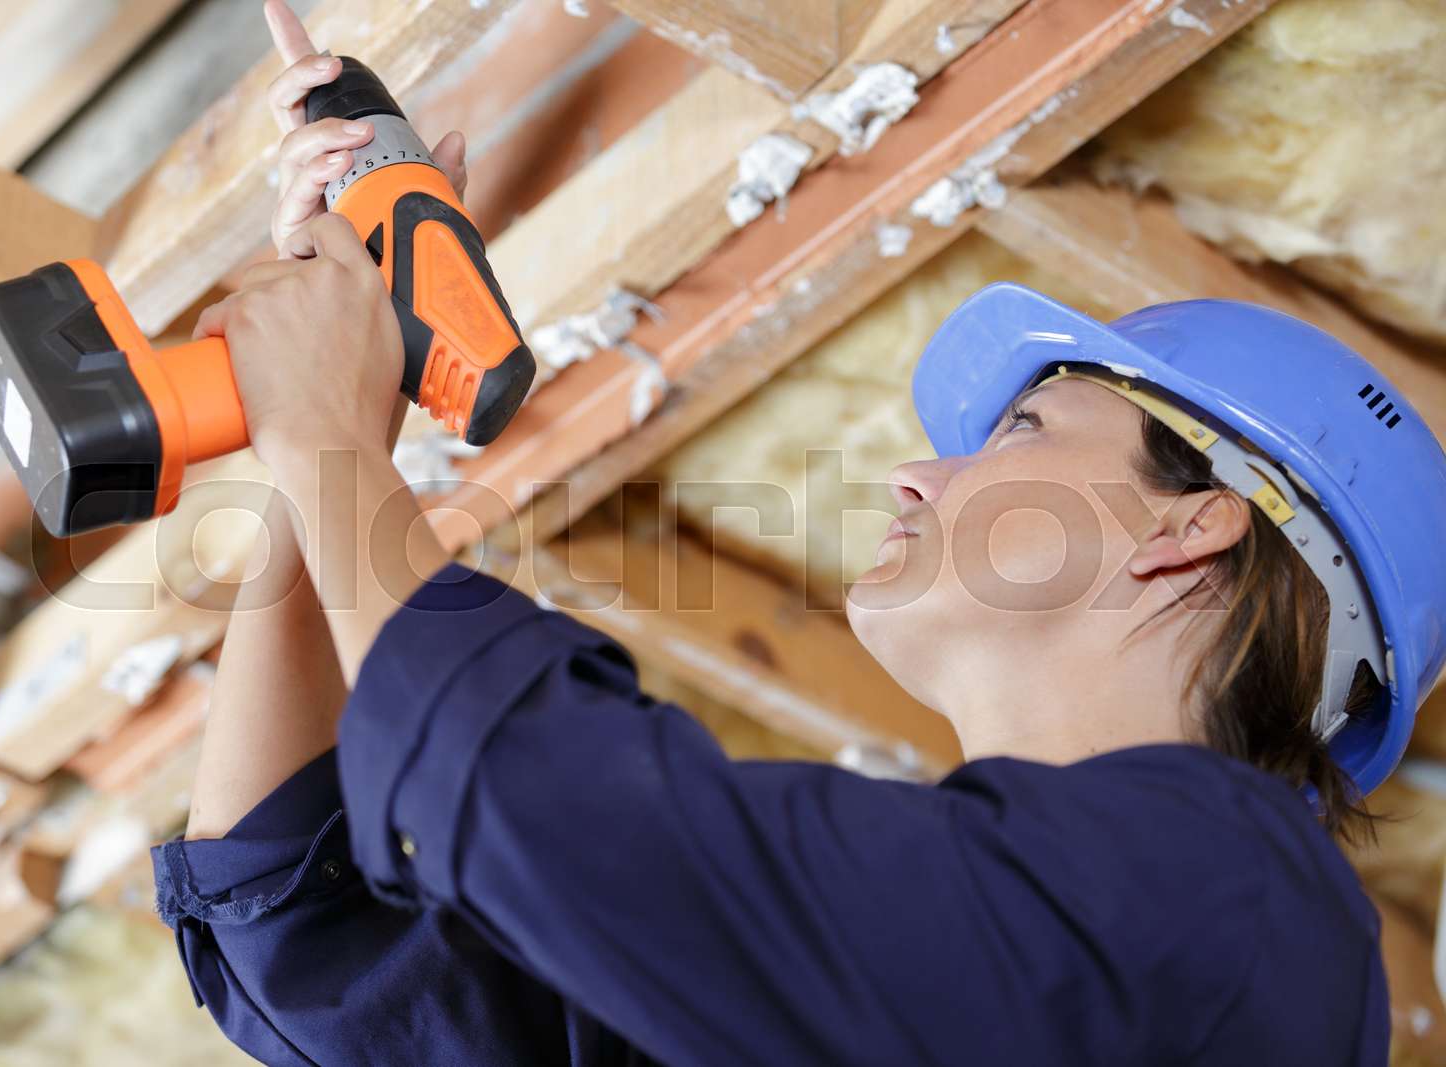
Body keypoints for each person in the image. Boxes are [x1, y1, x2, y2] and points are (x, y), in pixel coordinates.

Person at [151, 3, 1446, 1063]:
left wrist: (327, 441)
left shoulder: (1247, 918)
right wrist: (326, 443)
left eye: (1022, 434)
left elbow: (540, 811)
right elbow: (325, 949)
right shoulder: (915, 954)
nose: (910, 482)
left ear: (1192, 531)